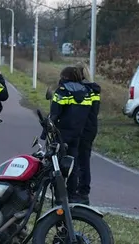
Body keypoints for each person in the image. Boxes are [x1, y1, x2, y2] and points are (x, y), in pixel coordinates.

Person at [47, 66, 92, 201]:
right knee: (73, 164)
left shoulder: (62, 91)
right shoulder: (86, 92)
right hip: (77, 133)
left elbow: (55, 113)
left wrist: (48, 126)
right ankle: (71, 194)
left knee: (57, 164)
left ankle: (59, 195)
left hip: (61, 133)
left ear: (65, 77)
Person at [75, 67, 100, 205]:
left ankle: (82, 191)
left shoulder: (83, 90)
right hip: (91, 128)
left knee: (82, 161)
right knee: (84, 159)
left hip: (83, 129)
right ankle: (82, 191)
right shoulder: (93, 89)